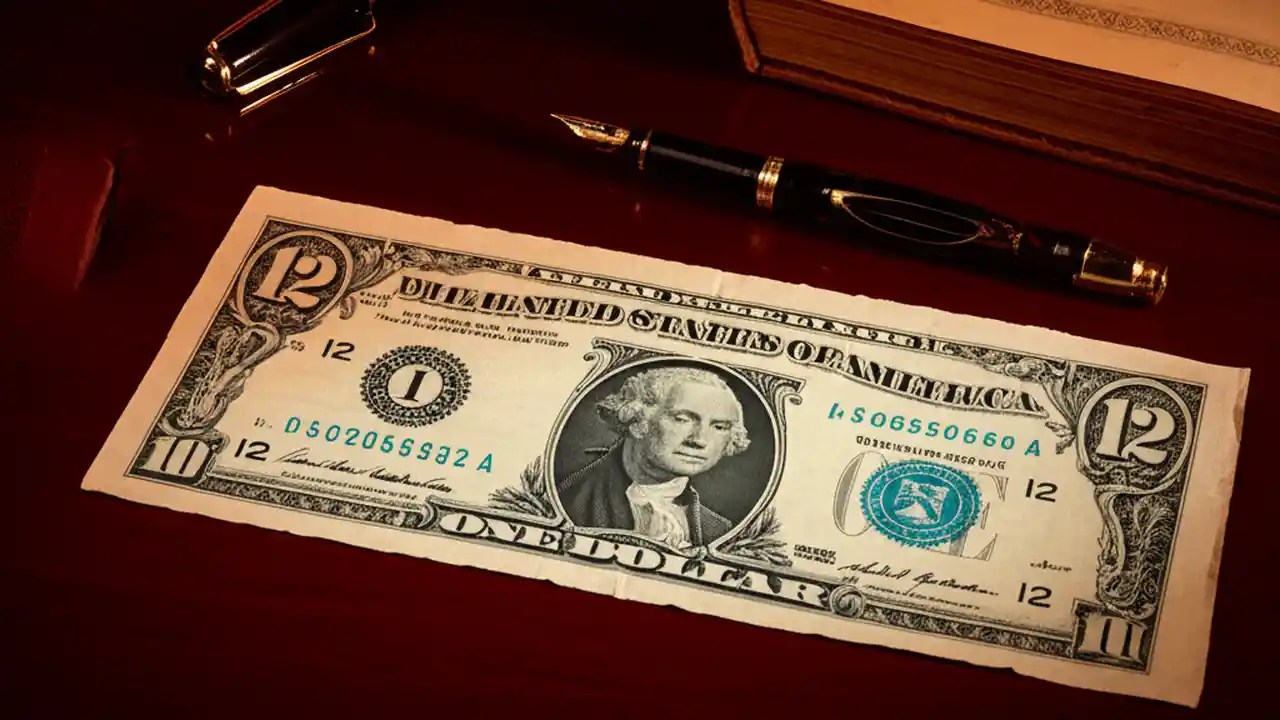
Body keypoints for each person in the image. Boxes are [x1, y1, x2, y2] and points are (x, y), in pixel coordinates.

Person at [557, 366, 751, 548]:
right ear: (638, 419)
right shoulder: (568, 496)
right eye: (682, 419)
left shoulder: (720, 530)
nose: (699, 440)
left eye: (719, 427)